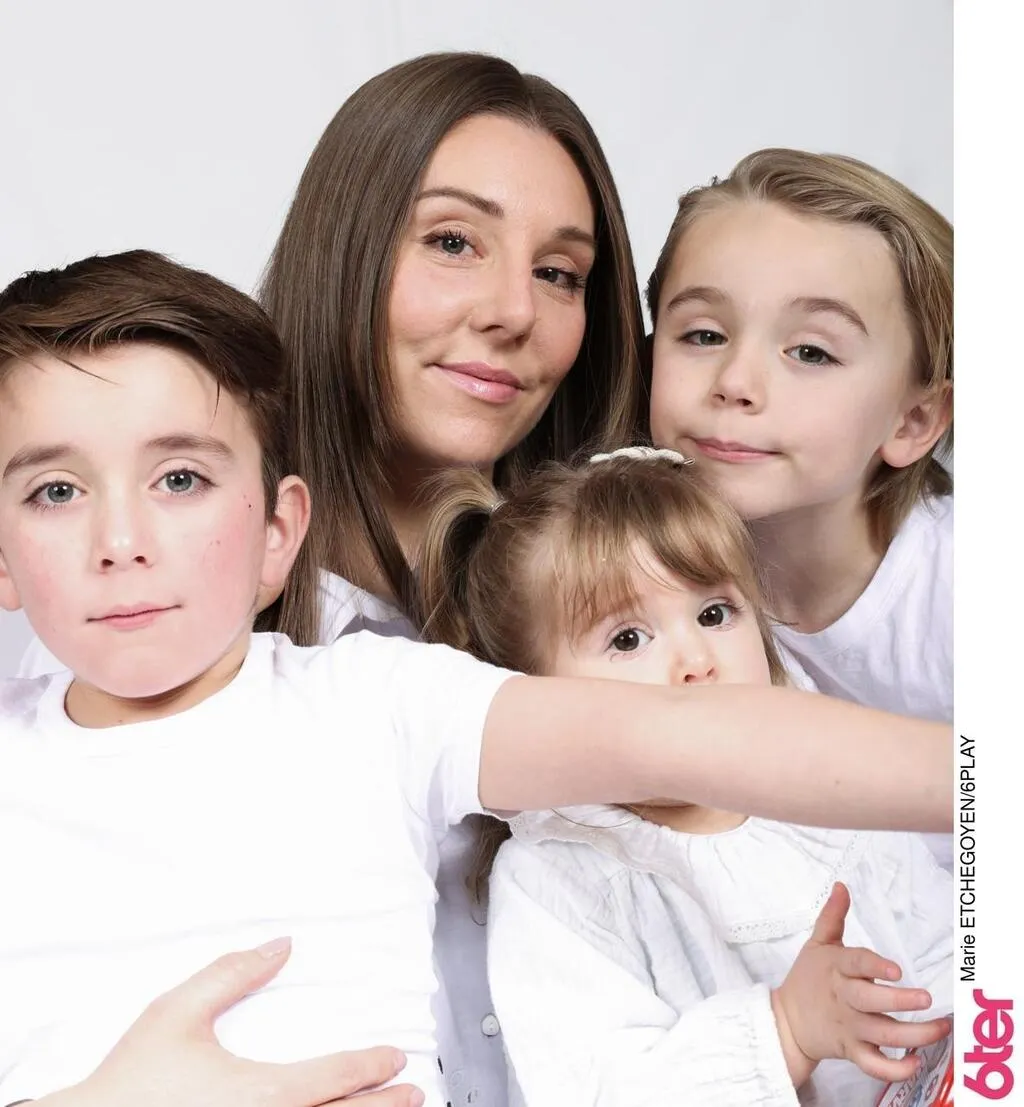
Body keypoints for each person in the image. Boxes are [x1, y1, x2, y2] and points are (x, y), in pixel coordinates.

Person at [0, 252, 948, 1107]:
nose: (119, 541)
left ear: (278, 531)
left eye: (179, 480)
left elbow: (688, 734)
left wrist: (978, 777)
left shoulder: (375, 702)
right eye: (55, 491)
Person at [15, 52, 646, 1106]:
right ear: (345, 250)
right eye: (453, 241)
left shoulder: (647, 589)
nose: (513, 311)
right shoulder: (105, 620)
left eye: (561, 273)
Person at [415, 448, 953, 1107]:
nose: (697, 659)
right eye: (628, 639)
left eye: (714, 614)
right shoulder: (558, 878)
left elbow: (945, 945)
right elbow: (598, 1089)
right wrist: (785, 1030)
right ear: (536, 697)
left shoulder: (822, 792)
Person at [645, 148, 953, 865]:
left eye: (811, 352)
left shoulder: (956, 589)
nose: (736, 381)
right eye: (703, 335)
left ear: (913, 421)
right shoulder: (631, 577)